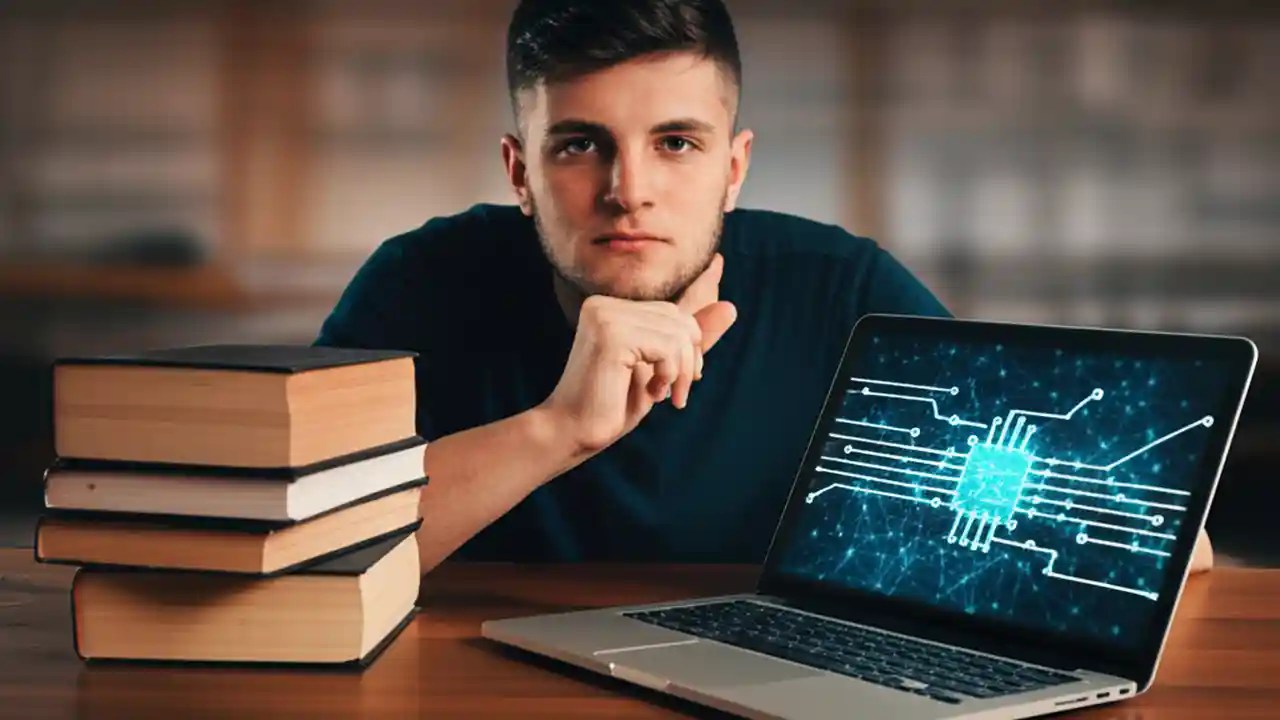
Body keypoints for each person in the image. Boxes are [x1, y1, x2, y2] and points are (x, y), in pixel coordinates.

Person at [315, 0, 1213, 575]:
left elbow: (1152, 531)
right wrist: (557, 431)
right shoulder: (420, 282)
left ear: (734, 167)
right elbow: (287, 554)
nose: (630, 189)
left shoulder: (842, 287)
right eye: (580, 144)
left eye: (677, 143)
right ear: (519, 172)